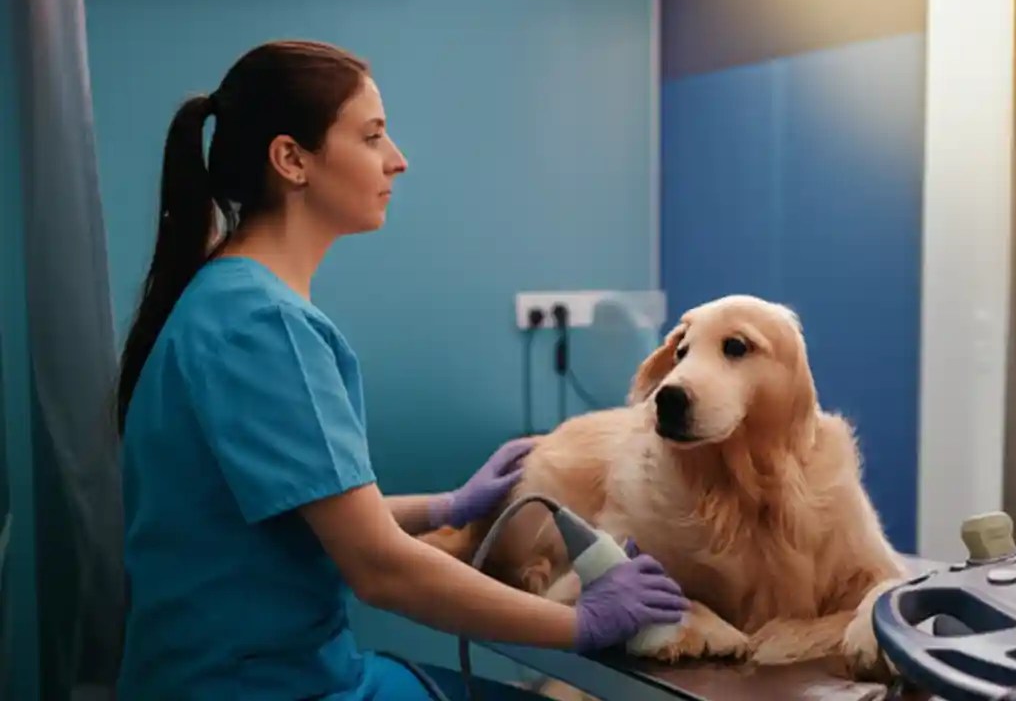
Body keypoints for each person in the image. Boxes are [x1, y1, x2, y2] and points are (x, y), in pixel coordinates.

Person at [114, 39, 689, 700]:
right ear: (291, 160)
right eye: (372, 136)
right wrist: (581, 624)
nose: (398, 159)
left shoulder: (223, 300)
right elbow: (379, 570)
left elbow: (286, 521)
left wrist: (442, 507)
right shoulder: (262, 325)